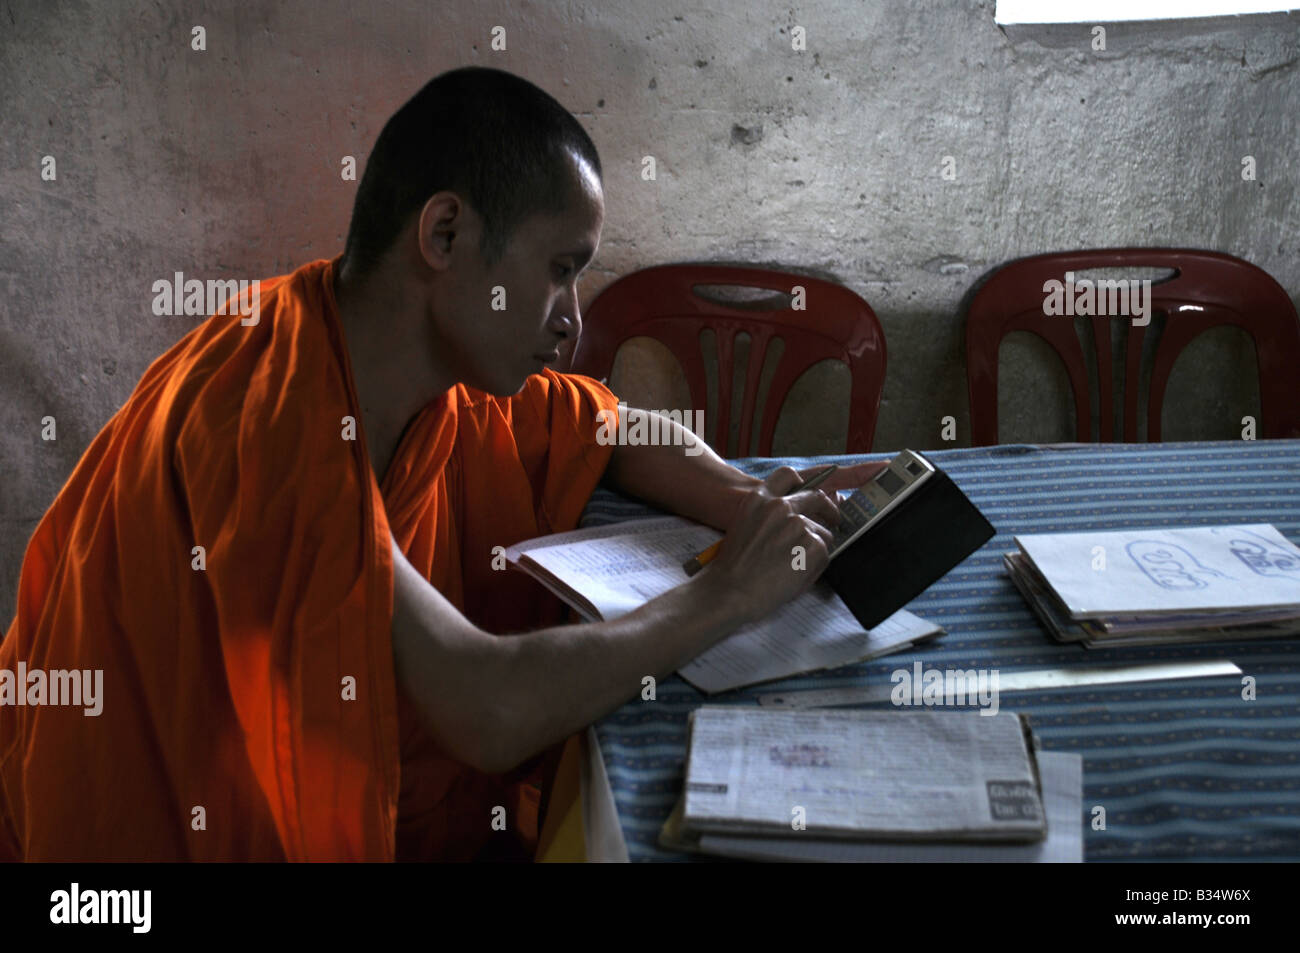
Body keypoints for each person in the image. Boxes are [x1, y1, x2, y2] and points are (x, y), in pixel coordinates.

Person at [0, 66, 882, 861]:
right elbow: (484, 709)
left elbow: (610, 428)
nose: (573, 320)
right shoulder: (268, 417)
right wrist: (725, 594)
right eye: (560, 270)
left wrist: (744, 497)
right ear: (447, 233)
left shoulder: (419, 364)